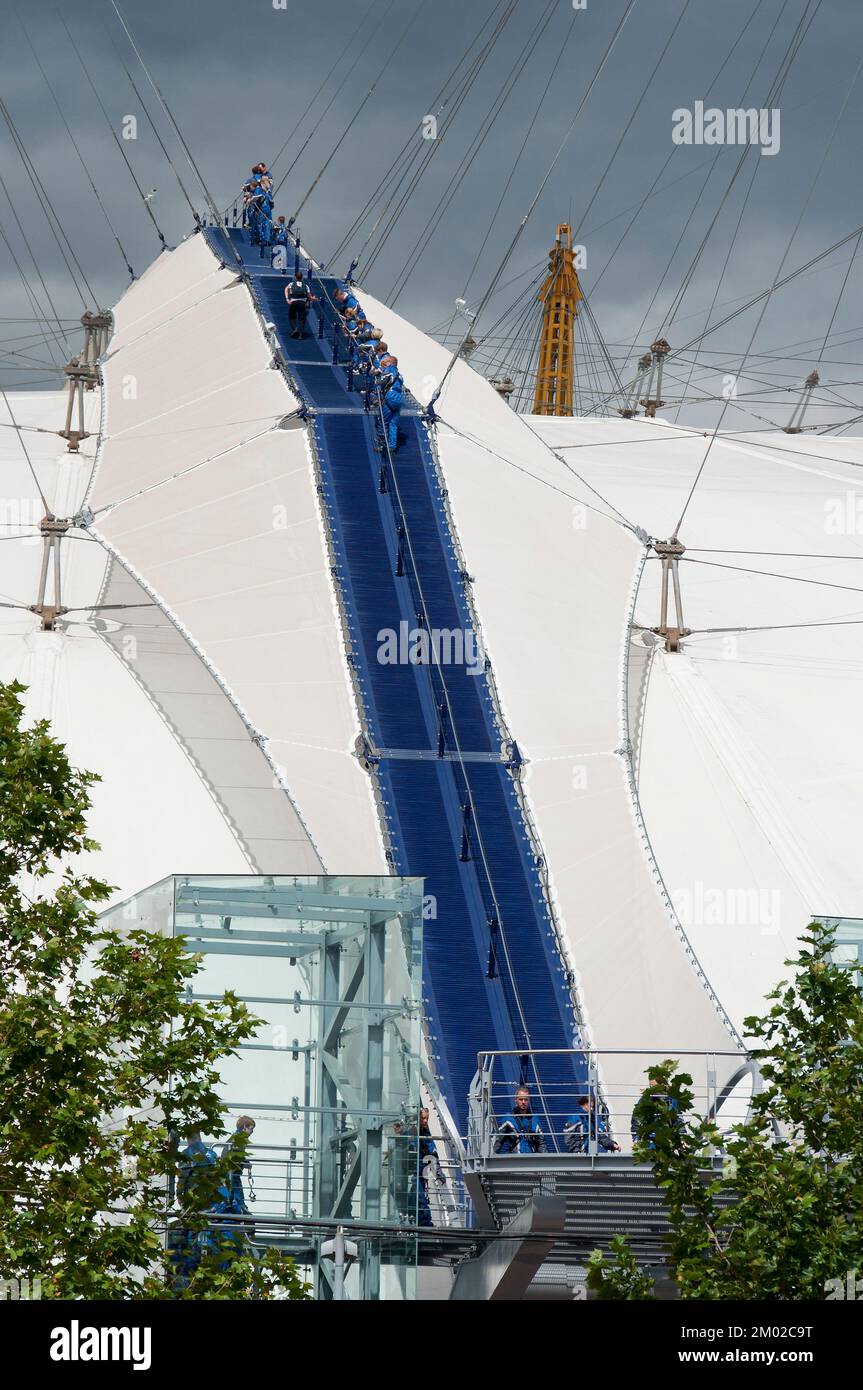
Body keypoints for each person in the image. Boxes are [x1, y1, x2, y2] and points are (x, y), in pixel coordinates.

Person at [493, 1085, 547, 1154]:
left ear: (529, 1101)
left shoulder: (535, 1119)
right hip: (514, 1160)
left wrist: (545, 1159)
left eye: (526, 1099)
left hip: (532, 1160)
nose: (523, 1102)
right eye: (521, 1099)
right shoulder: (508, 1119)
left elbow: (541, 1144)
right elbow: (499, 1141)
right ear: (515, 1100)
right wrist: (493, 1157)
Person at [375, 354, 404, 453]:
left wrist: (377, 381)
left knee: (383, 421)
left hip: (390, 397)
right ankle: (392, 446)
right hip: (399, 400)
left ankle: (382, 444)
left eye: (385, 363)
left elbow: (383, 380)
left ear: (390, 363)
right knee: (393, 424)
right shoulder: (400, 375)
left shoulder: (390, 369)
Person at [285, 271, 317, 338]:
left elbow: (286, 289)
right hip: (302, 303)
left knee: (291, 316)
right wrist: (314, 298)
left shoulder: (291, 284)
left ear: (295, 277)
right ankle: (300, 335)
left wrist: (287, 299)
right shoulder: (305, 286)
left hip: (293, 302)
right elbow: (310, 297)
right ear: (302, 278)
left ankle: (295, 329)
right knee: (301, 319)